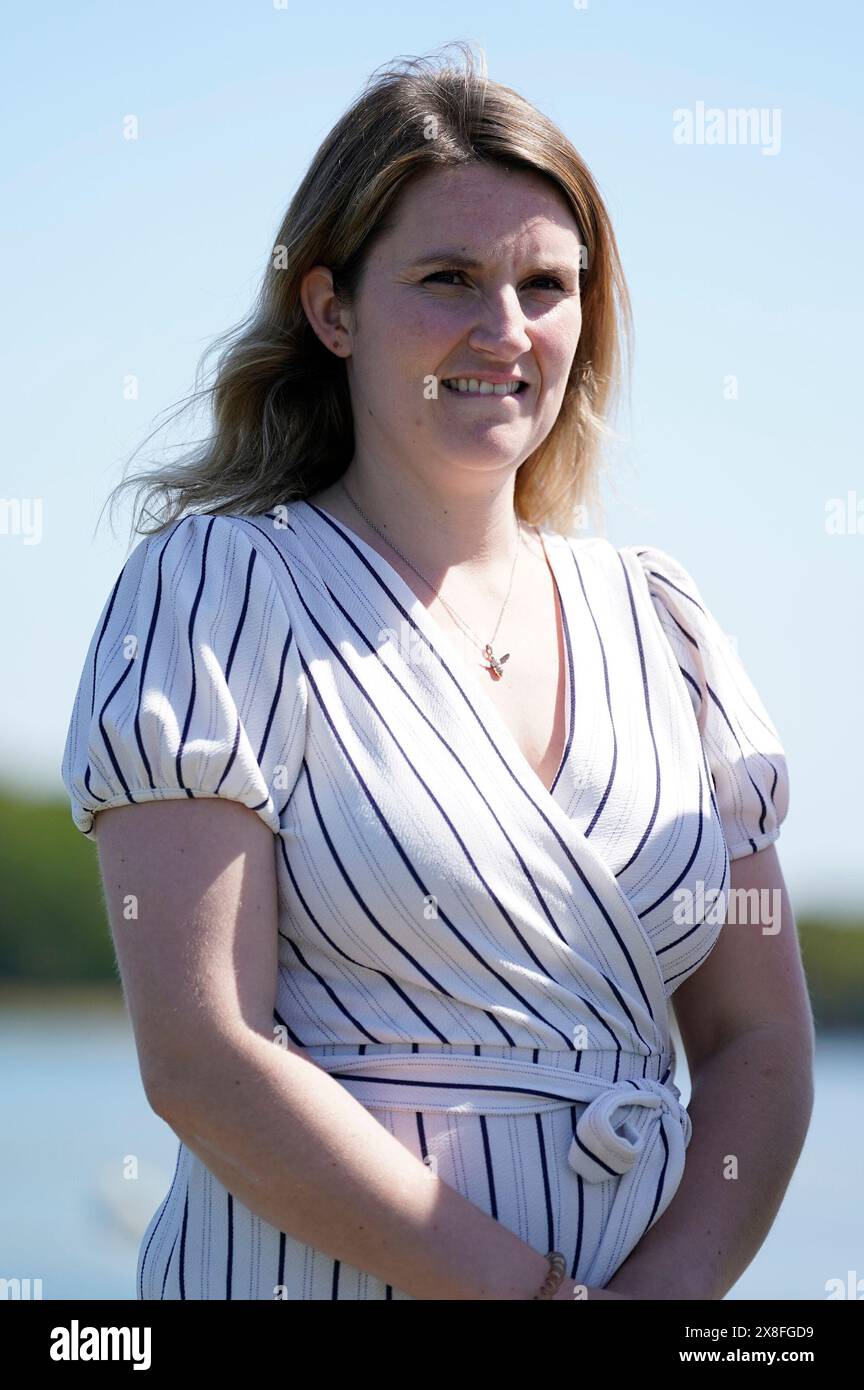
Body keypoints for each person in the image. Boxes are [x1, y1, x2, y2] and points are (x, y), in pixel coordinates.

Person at [61, 44, 813, 1301]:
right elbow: (204, 1054)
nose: (505, 330)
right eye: (449, 279)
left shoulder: (666, 622)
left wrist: (665, 1302)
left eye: (546, 284)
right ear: (332, 309)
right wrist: (522, 1296)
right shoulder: (219, 588)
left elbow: (762, 1041)